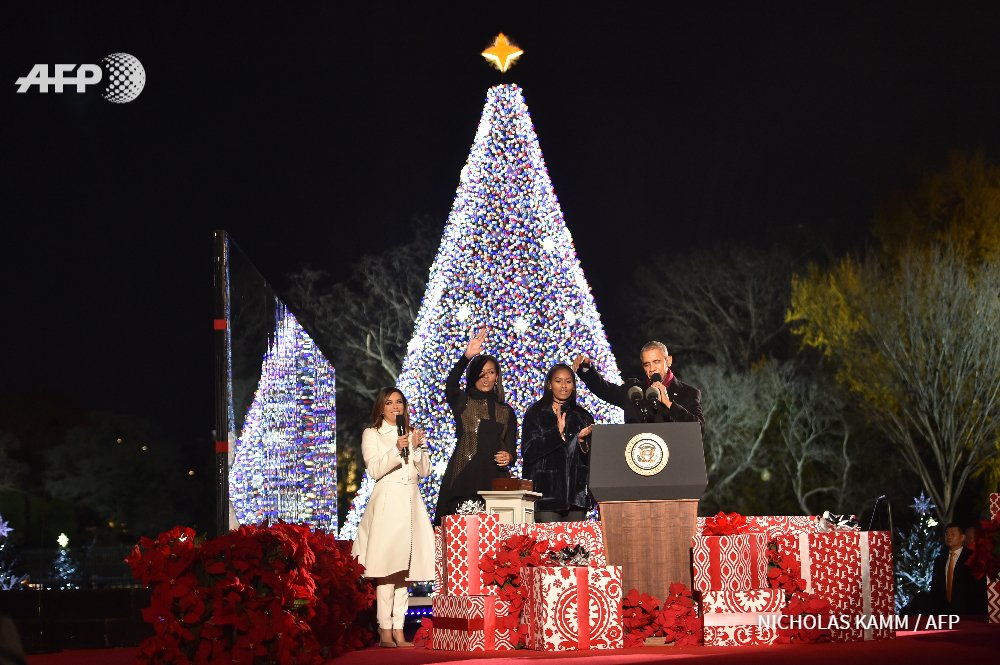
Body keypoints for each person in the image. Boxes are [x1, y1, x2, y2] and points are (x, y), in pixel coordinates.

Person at [351, 387, 434, 648]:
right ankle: (384, 629)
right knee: (387, 570)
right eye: (389, 403)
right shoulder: (372, 433)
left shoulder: (410, 433)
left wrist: (417, 448)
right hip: (388, 502)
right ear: (381, 407)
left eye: (399, 402)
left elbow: (425, 471)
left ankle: (399, 628)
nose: (395, 407)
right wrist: (397, 449)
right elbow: (375, 469)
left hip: (411, 502)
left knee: (404, 573)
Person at [435, 327, 516, 522]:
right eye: (481, 372)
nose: (486, 377)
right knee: (463, 540)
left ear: (497, 377)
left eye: (491, 372)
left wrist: (509, 456)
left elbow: (511, 447)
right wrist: (466, 357)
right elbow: (450, 386)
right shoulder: (463, 402)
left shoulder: (506, 411)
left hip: (496, 484)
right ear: (473, 375)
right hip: (465, 479)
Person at [572, 341, 704, 431]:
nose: (652, 368)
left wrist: (669, 404)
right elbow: (605, 390)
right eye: (647, 364)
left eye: (656, 362)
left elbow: (699, 429)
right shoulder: (634, 390)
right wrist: (586, 370)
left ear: (668, 361)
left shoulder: (688, 393)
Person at [522, 363, 595, 522]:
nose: (564, 386)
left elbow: (594, 460)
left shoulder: (583, 416)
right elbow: (528, 453)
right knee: (549, 546)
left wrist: (582, 442)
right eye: (558, 381)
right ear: (549, 384)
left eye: (568, 382)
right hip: (546, 496)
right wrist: (557, 435)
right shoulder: (535, 413)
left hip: (576, 497)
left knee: (575, 546)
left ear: (574, 386)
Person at [930, 522, 987, 615]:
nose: (949, 537)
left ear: (963, 537)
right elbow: (935, 588)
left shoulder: (972, 557)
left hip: (968, 611)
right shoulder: (939, 560)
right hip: (943, 613)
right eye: (947, 534)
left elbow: (978, 587)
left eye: (953, 534)